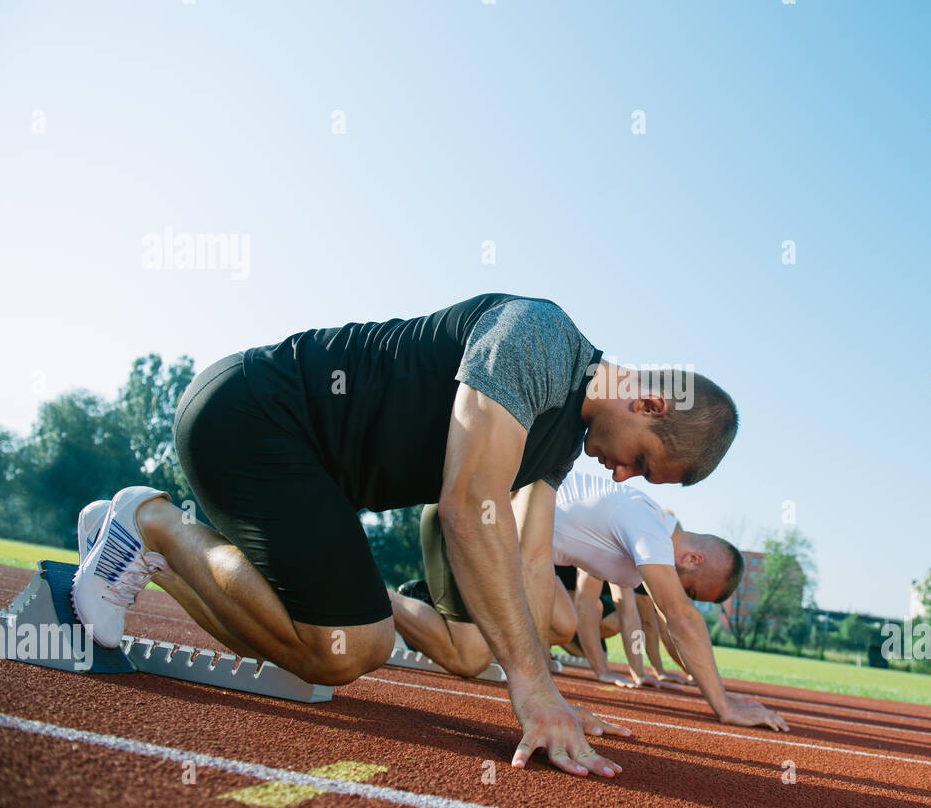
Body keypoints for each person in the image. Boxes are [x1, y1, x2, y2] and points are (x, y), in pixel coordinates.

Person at [71, 293, 737, 778]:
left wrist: (549, 689)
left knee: (367, 647)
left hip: (312, 478)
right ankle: (150, 522)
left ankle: (147, 546)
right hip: (250, 415)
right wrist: (531, 685)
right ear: (648, 404)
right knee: (352, 646)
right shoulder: (542, 338)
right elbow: (467, 503)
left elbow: (531, 561)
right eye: (642, 460)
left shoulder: (562, 438)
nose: (623, 474)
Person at [392, 470, 786, 731]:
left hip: (517, 551)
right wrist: (724, 706)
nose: (687, 599)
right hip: (474, 520)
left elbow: (616, 612)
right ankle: (386, 599)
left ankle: (457, 618)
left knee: (562, 626)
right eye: (695, 591)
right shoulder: (645, 526)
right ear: (692, 560)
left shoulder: (637, 552)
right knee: (469, 658)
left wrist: (609, 672)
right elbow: (679, 618)